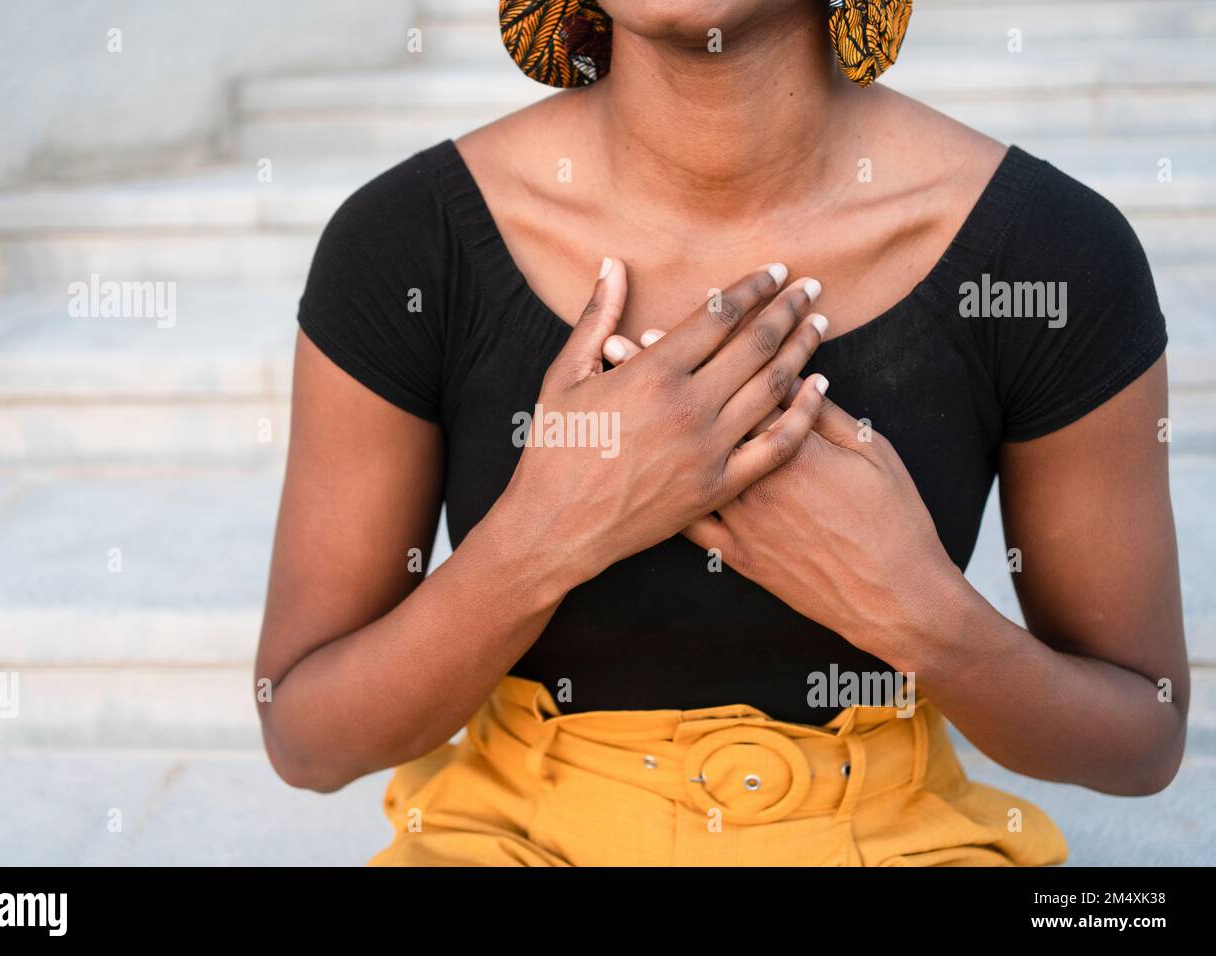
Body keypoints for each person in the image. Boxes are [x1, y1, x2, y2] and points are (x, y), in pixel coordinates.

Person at [254, 0, 1187, 866]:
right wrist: (544, 537)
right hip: (509, 841)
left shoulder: (1051, 252)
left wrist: (920, 612)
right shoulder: (408, 243)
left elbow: (1141, 740)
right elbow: (308, 736)